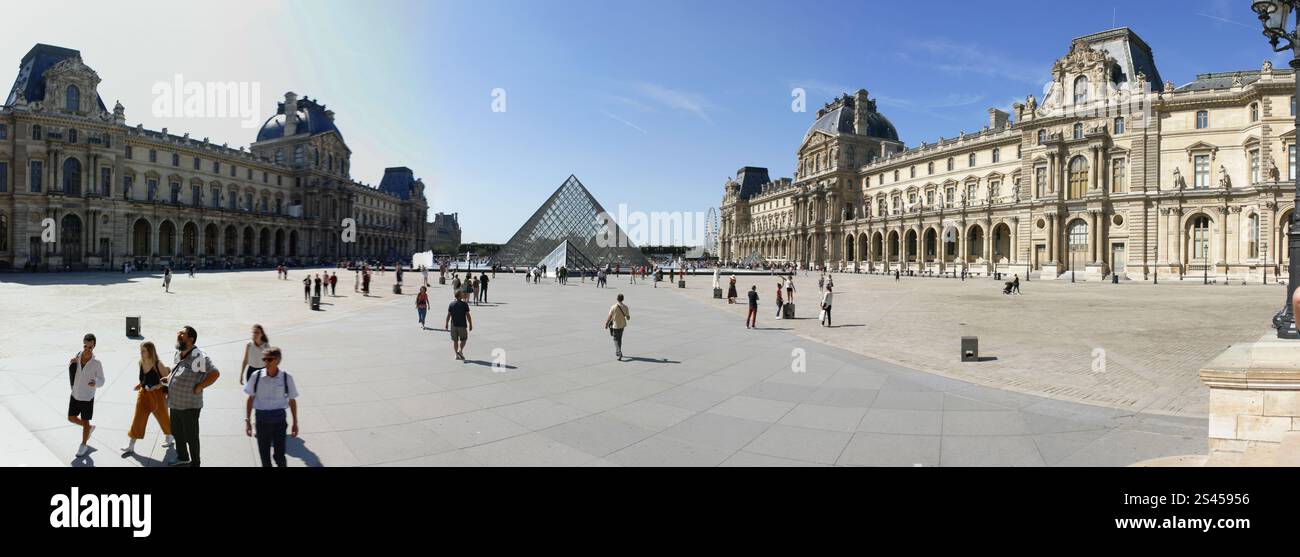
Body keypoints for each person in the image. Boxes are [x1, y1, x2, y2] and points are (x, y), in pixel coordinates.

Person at [166, 326, 220, 467]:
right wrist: (168, 378)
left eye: (182, 333)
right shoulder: (179, 352)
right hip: (175, 403)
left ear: (191, 339)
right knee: (177, 432)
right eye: (179, 332)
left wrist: (200, 386)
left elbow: (214, 373)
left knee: (191, 437)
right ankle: (183, 457)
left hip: (190, 406)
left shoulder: (198, 356)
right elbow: (177, 369)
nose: (179, 334)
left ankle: (196, 463)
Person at [243, 346, 299, 468]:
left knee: (280, 457)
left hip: (279, 421)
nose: (266, 362)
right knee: (265, 458)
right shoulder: (256, 376)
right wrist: (247, 421)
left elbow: (292, 400)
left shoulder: (286, 377)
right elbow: (250, 399)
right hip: (262, 421)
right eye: (264, 359)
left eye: (269, 359)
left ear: (277, 360)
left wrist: (295, 422)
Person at [123, 341, 173, 455]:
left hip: (158, 395)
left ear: (150, 351)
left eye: (143, 351)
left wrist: (156, 386)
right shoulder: (141, 362)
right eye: (140, 350)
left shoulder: (158, 364)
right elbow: (144, 378)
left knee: (163, 417)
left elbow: (167, 380)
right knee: (138, 419)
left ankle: (169, 436)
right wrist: (140, 384)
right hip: (144, 394)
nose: (141, 353)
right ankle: (131, 445)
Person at [68, 333, 105, 458]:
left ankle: (83, 444)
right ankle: (89, 428)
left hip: (87, 397)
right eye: (85, 346)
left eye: (90, 347)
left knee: (85, 420)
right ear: (83, 344)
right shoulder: (77, 357)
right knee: (71, 418)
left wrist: (96, 383)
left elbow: (102, 379)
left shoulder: (96, 363)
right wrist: (71, 363)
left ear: (94, 347)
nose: (87, 349)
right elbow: (72, 372)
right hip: (75, 393)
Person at [446, 291, 473, 360]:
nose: (463, 295)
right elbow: (468, 315)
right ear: (459, 296)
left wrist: (446, 323)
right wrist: (470, 324)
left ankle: (456, 355)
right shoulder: (464, 304)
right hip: (462, 325)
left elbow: (448, 315)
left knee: (455, 341)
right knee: (464, 339)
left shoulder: (451, 304)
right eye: (462, 294)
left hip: (453, 325)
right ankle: (460, 351)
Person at [605, 293, 630, 360]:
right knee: (619, 339)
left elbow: (610, 316)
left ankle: (619, 352)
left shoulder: (613, 307)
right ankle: (618, 351)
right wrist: (626, 316)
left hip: (615, 325)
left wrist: (606, 323)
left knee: (615, 339)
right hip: (622, 325)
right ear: (623, 299)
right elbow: (628, 318)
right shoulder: (625, 307)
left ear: (617, 299)